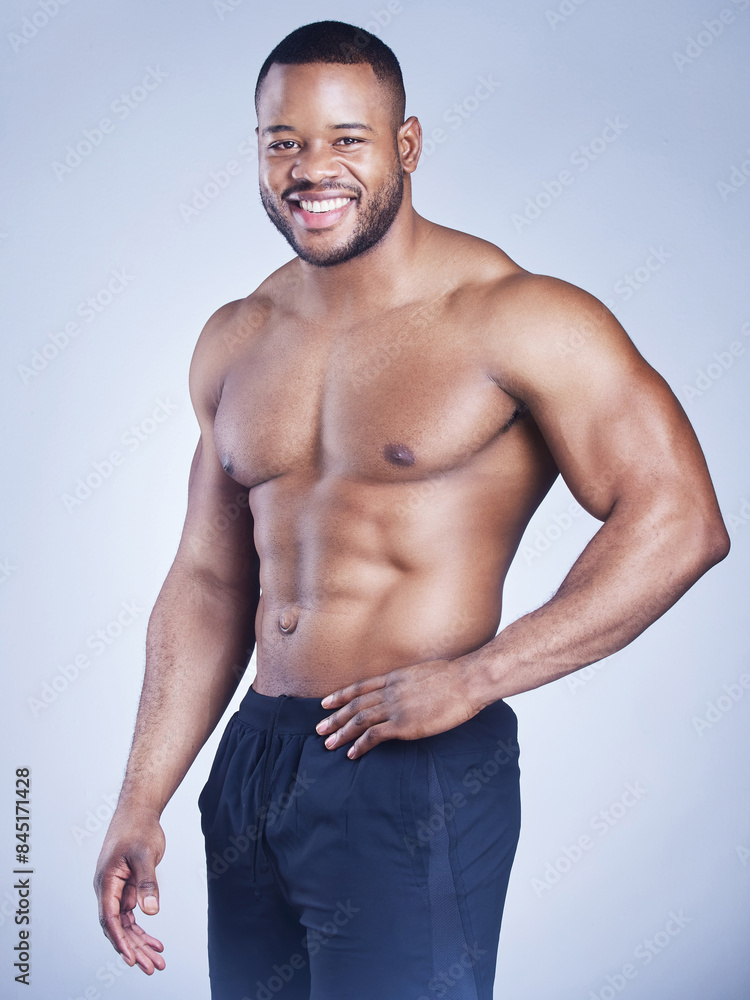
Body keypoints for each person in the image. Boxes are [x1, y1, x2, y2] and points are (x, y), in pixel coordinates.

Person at [93, 19, 730, 1000]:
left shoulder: (518, 316)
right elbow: (211, 577)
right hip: (257, 762)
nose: (313, 169)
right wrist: (141, 796)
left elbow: (682, 517)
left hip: (412, 765)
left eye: (347, 138)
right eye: (284, 142)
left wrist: (481, 674)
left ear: (407, 145)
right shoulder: (238, 337)